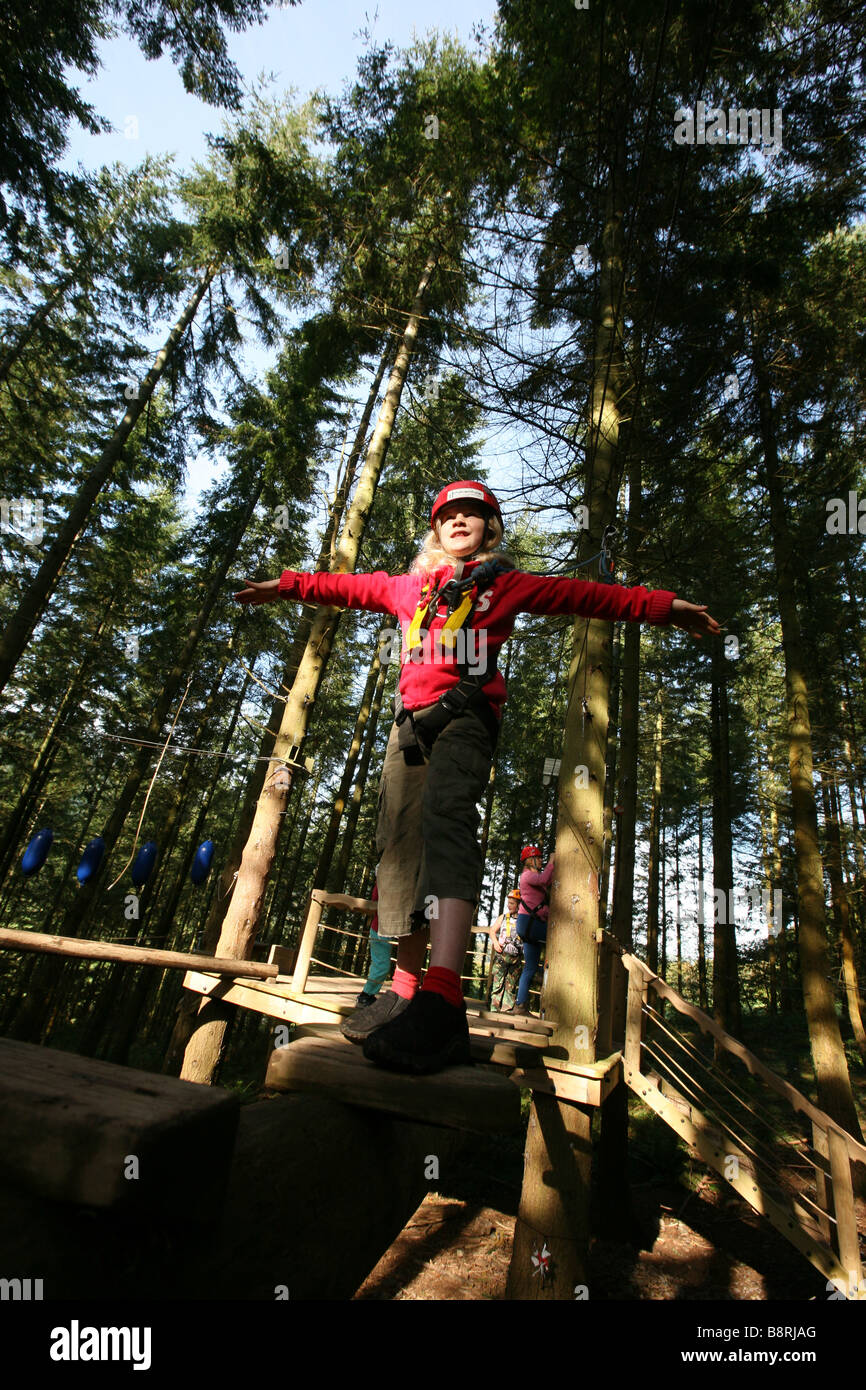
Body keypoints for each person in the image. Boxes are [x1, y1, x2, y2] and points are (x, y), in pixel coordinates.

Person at [235, 478, 720, 1075]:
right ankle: (403, 988)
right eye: (449, 514)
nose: (459, 520)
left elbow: (585, 595)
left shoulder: (504, 585)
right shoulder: (407, 588)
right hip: (407, 727)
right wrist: (283, 586)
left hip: (465, 718)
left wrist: (662, 606)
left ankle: (442, 994)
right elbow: (341, 585)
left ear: (489, 528)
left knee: (445, 823)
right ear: (435, 528)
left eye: (473, 513)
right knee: (396, 848)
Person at [510, 846, 554, 1016]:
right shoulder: (528, 875)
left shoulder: (532, 876)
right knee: (558, 941)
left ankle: (520, 1005)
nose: (542, 861)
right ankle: (550, 976)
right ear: (531, 860)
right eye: (539, 858)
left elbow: (547, 880)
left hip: (528, 924)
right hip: (529, 923)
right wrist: (552, 861)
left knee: (530, 967)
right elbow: (544, 880)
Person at [342, 881, 393, 1029]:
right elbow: (374, 900)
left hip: (386, 927)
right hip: (379, 928)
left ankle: (368, 995)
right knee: (381, 964)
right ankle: (365, 996)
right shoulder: (384, 878)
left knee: (380, 964)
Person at [488, 888, 524, 1013]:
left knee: (511, 985)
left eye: (512, 903)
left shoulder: (523, 920)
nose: (509, 905)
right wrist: (495, 942)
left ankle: (507, 1010)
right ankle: (494, 1009)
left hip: (516, 957)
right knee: (498, 983)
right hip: (502, 955)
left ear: (519, 904)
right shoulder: (503, 917)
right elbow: (492, 931)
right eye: (508, 903)